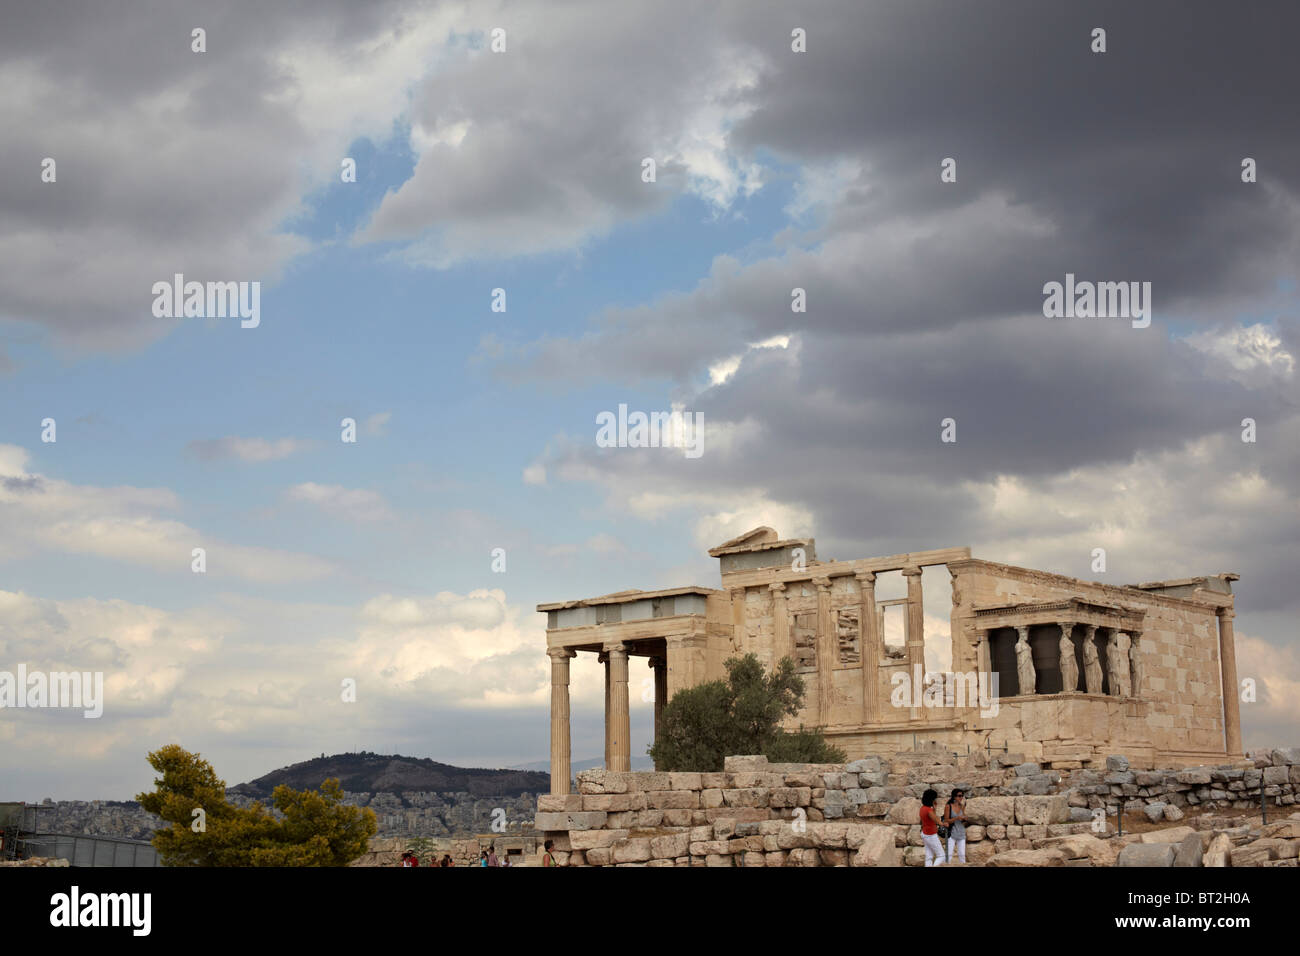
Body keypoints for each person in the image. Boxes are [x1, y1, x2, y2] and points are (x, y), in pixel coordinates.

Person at [942, 788, 968, 864]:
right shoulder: (948, 806)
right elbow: (946, 820)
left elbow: (963, 818)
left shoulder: (962, 806)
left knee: (962, 855)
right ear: (954, 796)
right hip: (951, 833)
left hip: (961, 832)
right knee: (949, 855)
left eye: (962, 796)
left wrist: (964, 818)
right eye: (959, 796)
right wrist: (957, 817)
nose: (961, 797)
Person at [919, 789, 944, 867]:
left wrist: (934, 808)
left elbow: (932, 818)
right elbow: (937, 821)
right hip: (930, 835)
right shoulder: (929, 810)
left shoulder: (923, 808)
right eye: (935, 798)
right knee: (941, 855)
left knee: (929, 857)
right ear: (932, 799)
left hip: (925, 833)